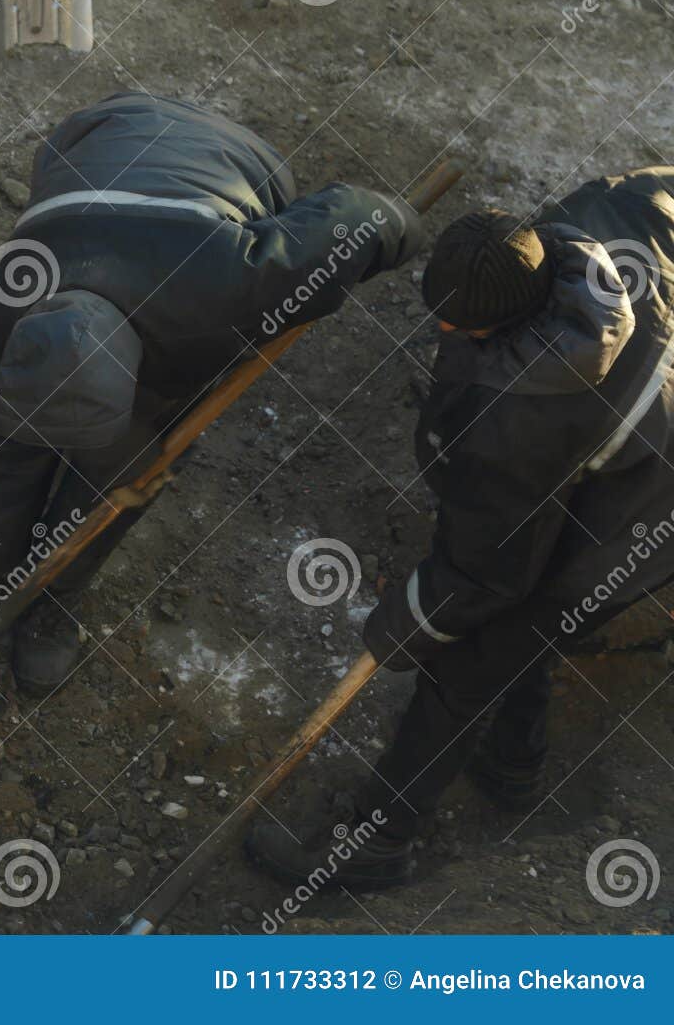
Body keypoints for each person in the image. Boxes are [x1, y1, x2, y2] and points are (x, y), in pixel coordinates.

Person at [0, 91, 425, 694]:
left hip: (236, 163)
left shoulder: (234, 285)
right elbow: (4, 439)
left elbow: (357, 215)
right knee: (6, 445)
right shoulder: (9, 302)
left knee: (119, 474)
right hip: (104, 128)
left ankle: (56, 596)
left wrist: (409, 229)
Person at [247, 169, 674, 888]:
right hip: (634, 438)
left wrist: (406, 624)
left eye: (461, 325)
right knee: (525, 621)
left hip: (638, 517)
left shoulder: (515, 420)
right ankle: (512, 764)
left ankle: (379, 840)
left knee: (474, 656)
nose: (445, 330)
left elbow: (486, 575)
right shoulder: (607, 213)